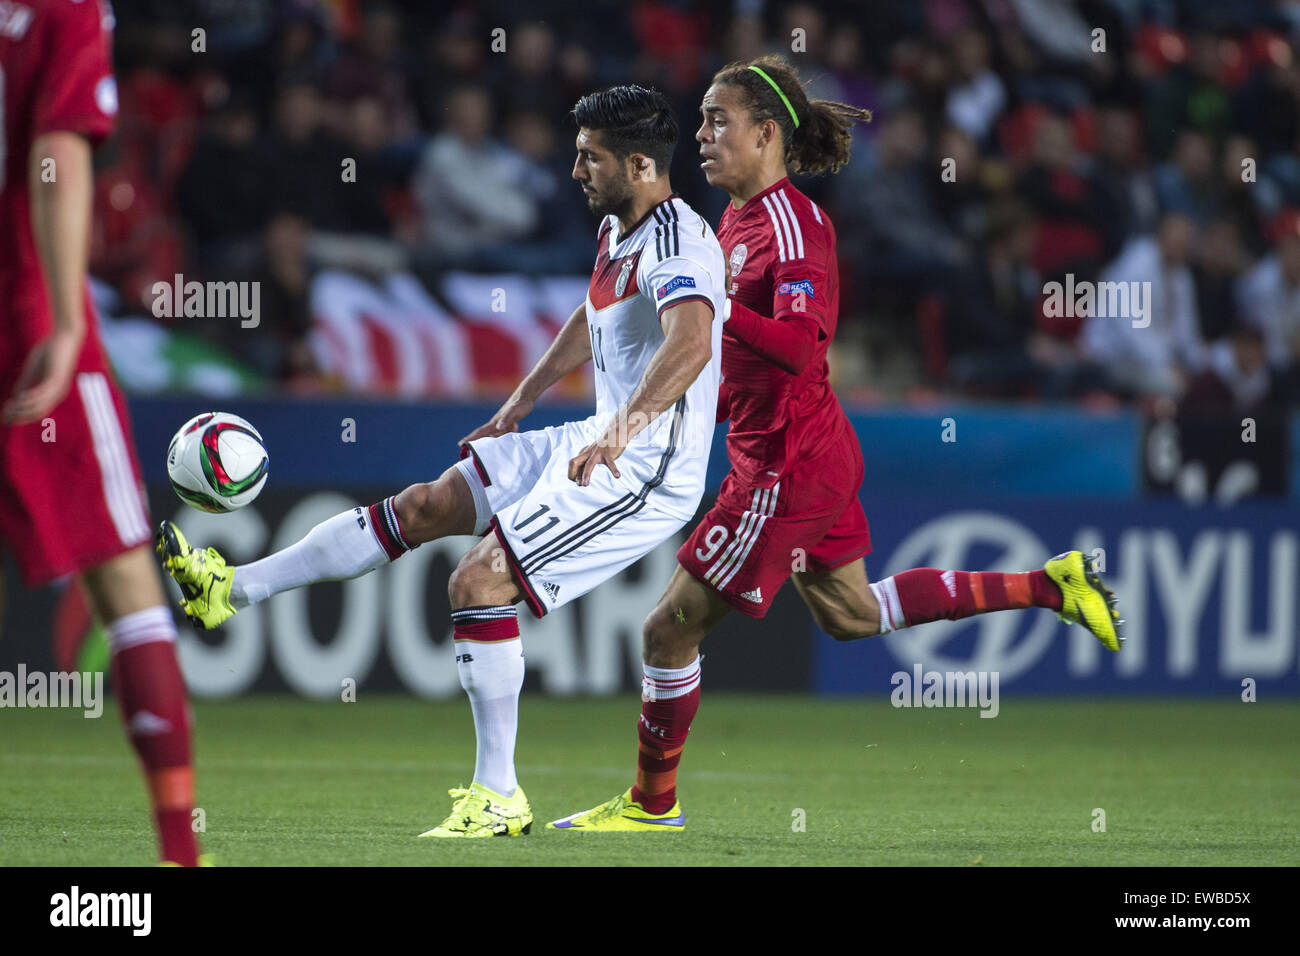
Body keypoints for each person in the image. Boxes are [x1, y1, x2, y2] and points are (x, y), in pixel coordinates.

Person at [549, 56, 1123, 833]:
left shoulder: (792, 222)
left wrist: (717, 307)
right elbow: (736, 363)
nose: (704, 136)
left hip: (786, 461)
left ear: (767, 133)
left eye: (720, 121)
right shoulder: (732, 225)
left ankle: (652, 806)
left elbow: (800, 346)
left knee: (666, 627)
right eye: (703, 120)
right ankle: (1050, 587)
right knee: (852, 613)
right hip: (800, 448)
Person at [156, 85, 727, 839]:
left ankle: (499, 798)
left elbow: (692, 343)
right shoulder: (619, 228)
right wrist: (524, 396)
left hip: (646, 467)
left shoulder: (680, 242)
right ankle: (231, 589)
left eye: (590, 158)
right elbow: (594, 320)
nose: (574, 171)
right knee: (425, 505)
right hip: (593, 436)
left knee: (478, 579)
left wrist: (621, 432)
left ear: (643, 164)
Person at [0, 0, 203, 865]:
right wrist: (65, 320)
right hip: (25, 317)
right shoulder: (66, 8)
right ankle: (178, 857)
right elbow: (55, 152)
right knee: (127, 585)